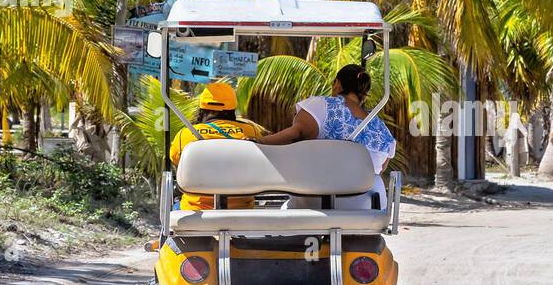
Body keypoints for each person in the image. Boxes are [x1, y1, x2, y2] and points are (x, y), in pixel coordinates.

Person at [255, 63, 396, 209]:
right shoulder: (382, 129)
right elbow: (380, 168)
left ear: (338, 84)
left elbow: (295, 134)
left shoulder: (322, 105)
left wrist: (258, 141)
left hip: (321, 200)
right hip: (370, 205)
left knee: (286, 208)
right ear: (364, 93)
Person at [169, 82, 266, 210]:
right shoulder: (251, 131)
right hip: (241, 209)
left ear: (202, 109)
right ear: (232, 110)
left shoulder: (186, 133)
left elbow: (177, 161)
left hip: (197, 209)